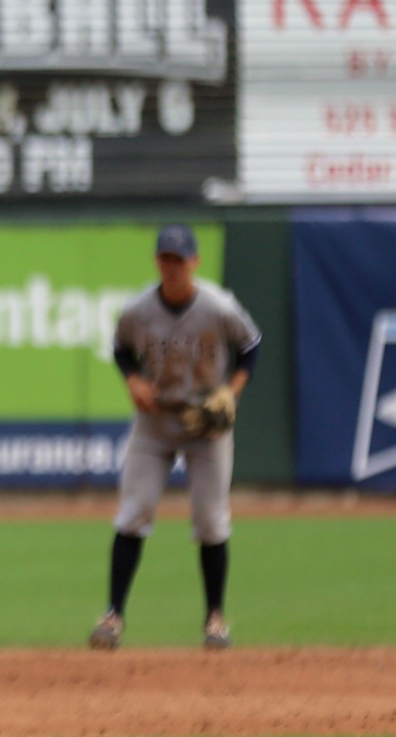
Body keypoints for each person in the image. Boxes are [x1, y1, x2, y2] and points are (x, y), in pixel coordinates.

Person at [89, 224, 261, 651]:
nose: (172, 267)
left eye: (180, 260)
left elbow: (251, 346)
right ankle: (113, 616)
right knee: (134, 512)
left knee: (210, 520)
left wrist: (230, 391)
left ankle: (215, 619)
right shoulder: (138, 310)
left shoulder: (219, 306)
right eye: (166, 258)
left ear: (195, 263)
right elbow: (120, 348)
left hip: (206, 423)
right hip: (155, 422)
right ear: (157, 262)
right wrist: (132, 379)